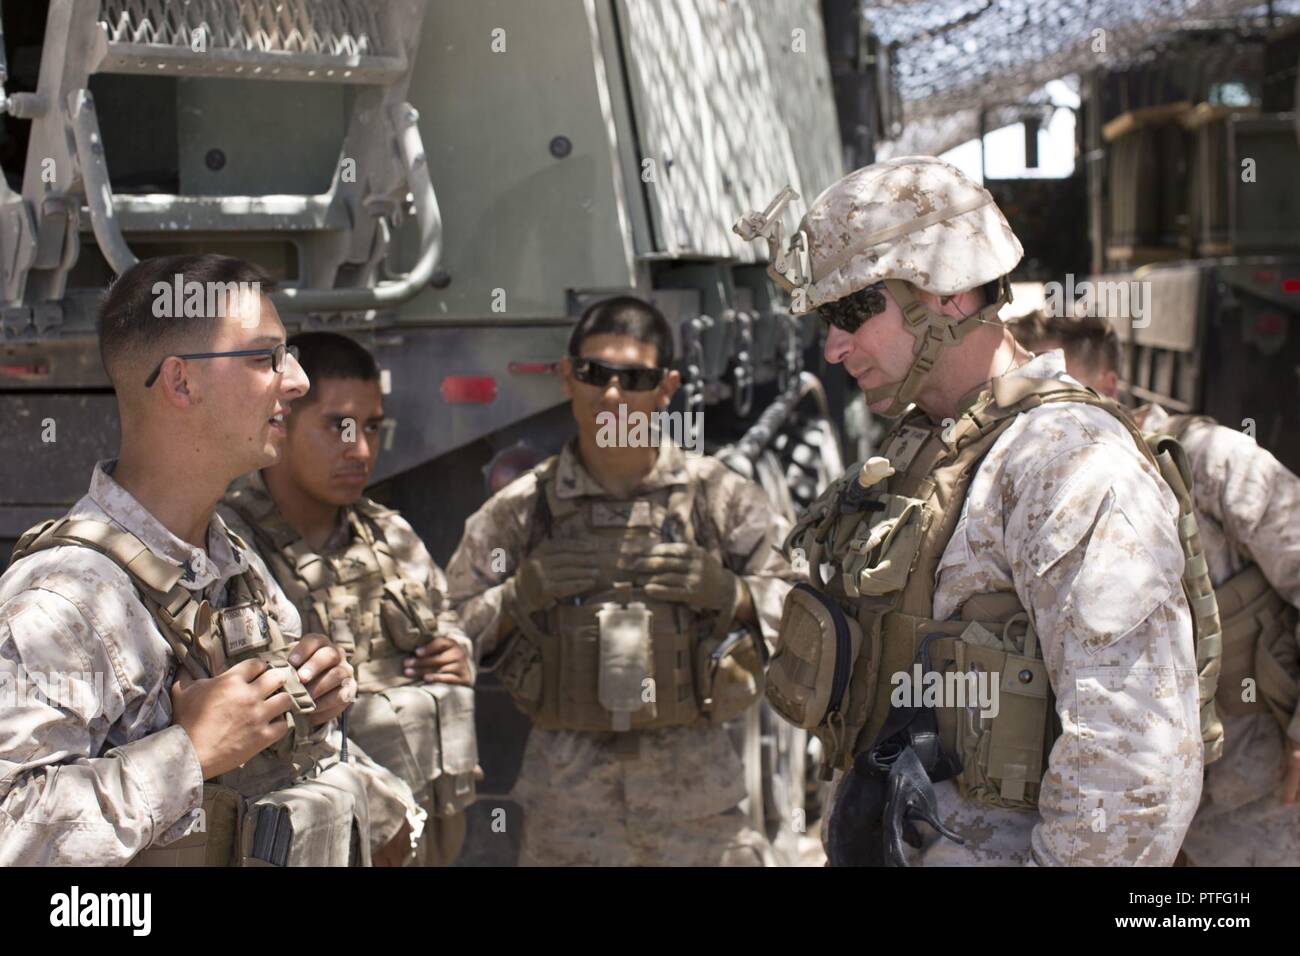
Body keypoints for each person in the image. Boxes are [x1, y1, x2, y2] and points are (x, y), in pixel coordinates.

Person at [737, 156, 1204, 866]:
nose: (833, 348)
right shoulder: (933, 443)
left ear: (949, 293)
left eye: (848, 313)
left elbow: (1134, 765)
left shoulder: (1066, 462)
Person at [0, 254, 413, 866]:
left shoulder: (232, 563)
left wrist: (311, 708)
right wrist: (189, 751)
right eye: (264, 358)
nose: (295, 381)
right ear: (181, 383)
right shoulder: (62, 601)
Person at [445, 296, 796, 866]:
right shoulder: (524, 511)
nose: (611, 395)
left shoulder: (716, 498)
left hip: (698, 814)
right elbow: (443, 629)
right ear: (567, 377)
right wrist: (517, 596)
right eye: (594, 373)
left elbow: (808, 609)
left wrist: (730, 594)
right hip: (567, 816)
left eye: (633, 378)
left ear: (666, 388)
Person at [1011, 310, 1300, 866]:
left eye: (1056, 387)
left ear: (1110, 386)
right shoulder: (1036, 492)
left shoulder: (1211, 460)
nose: (1039, 410)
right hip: (1124, 818)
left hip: (1250, 798)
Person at [220, 331, 480, 867]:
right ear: (282, 419)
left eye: (371, 428)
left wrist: (457, 651)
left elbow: (446, 621)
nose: (359, 449)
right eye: (337, 427)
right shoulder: (229, 547)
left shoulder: (389, 534)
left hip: (419, 830)